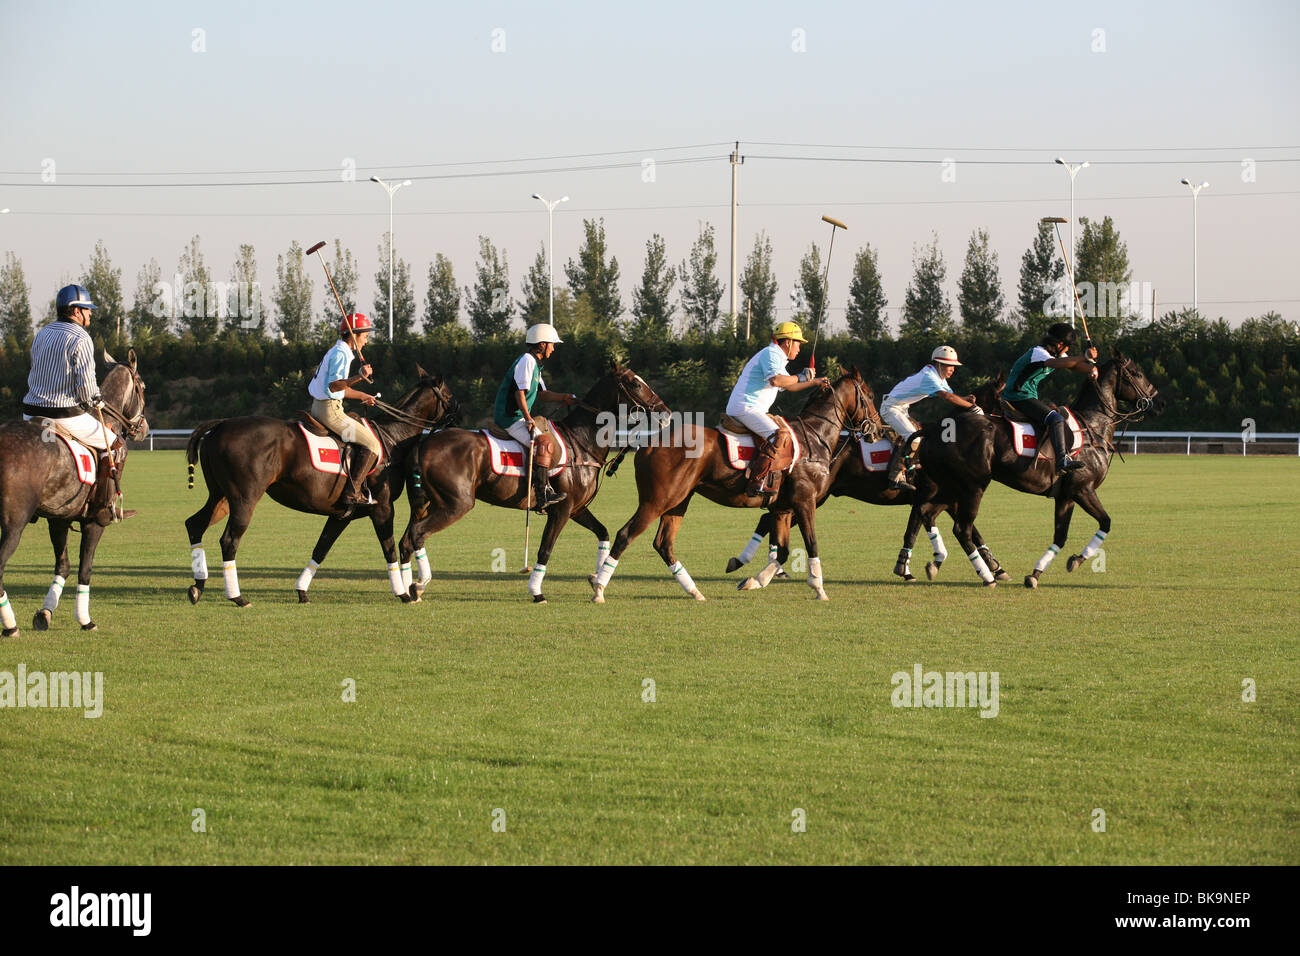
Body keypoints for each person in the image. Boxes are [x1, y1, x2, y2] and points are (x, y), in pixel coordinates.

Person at [22, 284, 125, 523]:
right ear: (76, 311)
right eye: (87, 309)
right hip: (64, 416)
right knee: (116, 444)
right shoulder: (81, 338)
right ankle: (102, 505)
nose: (90, 314)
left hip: (29, 416)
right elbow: (87, 391)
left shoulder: (42, 333)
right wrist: (97, 401)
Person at [725, 320, 829, 497]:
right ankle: (757, 481)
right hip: (746, 407)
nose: (799, 348)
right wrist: (801, 376)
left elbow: (789, 385)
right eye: (798, 343)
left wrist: (813, 382)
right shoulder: (771, 353)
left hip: (752, 408)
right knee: (779, 435)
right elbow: (777, 381)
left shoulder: (777, 357)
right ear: (787, 342)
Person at [493, 323, 579, 514]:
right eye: (552, 344)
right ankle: (542, 493)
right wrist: (528, 418)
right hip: (510, 418)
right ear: (541, 344)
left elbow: (543, 394)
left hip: (517, 417)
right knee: (544, 442)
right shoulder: (527, 361)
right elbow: (519, 394)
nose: (554, 348)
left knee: (544, 441)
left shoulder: (535, 364)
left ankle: (542, 490)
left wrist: (564, 397)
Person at [1003, 321, 1100, 474]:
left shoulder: (1056, 354)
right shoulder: (1039, 352)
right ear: (1060, 344)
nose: (1068, 350)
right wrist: (1085, 355)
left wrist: (1091, 368)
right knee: (1055, 418)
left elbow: (1073, 365)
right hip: (1016, 396)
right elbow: (1057, 363)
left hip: (1026, 395)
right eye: (1068, 346)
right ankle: (1062, 461)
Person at [881, 345, 981, 492]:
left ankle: (912, 468)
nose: (953, 369)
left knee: (922, 438)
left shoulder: (938, 376)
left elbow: (951, 395)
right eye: (950, 366)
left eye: (954, 366)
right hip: (891, 409)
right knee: (914, 438)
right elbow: (947, 397)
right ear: (939, 364)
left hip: (902, 410)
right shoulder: (929, 376)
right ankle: (895, 477)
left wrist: (965, 399)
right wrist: (971, 407)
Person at [307, 312, 382, 507]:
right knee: (372, 445)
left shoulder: (337, 350)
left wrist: (363, 396)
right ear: (354, 335)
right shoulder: (342, 353)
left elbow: (339, 389)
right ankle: (352, 492)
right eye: (365, 336)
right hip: (330, 412)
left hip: (320, 407)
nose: (366, 341)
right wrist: (359, 376)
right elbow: (334, 386)